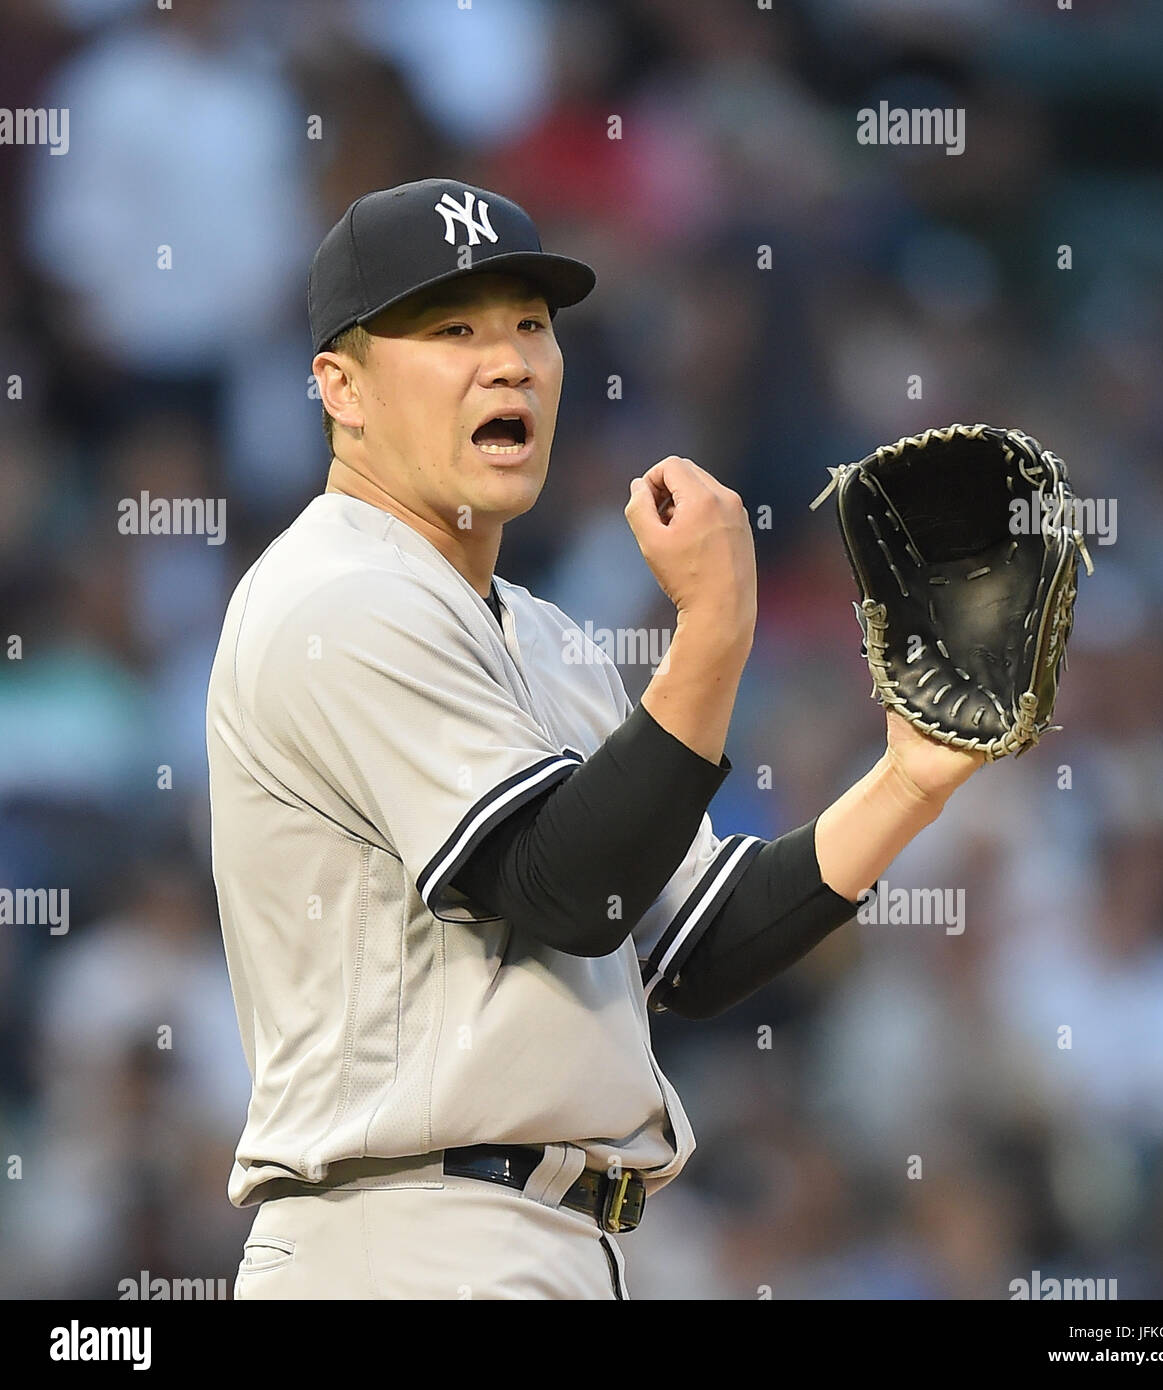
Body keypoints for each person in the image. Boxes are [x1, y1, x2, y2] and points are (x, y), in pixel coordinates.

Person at [205, 178, 982, 1300]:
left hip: (546, 1239)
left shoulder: (544, 634)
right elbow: (564, 889)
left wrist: (909, 781)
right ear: (342, 386)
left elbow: (693, 943)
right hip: (406, 1238)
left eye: (530, 324)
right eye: (454, 329)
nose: (509, 360)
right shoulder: (339, 595)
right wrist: (712, 637)